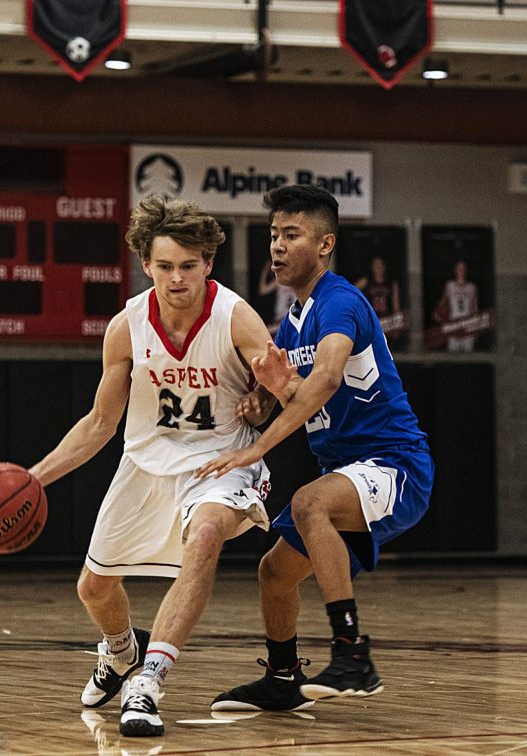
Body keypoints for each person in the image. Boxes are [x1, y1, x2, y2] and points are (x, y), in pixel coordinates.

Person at [28, 195, 275, 737]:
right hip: (146, 461)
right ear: (146, 265)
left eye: (189, 266)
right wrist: (33, 479)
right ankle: (121, 652)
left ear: (208, 264)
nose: (177, 278)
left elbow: (281, 392)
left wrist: (266, 400)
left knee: (206, 534)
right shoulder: (127, 327)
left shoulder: (236, 316)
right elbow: (99, 424)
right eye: (165, 266)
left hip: (220, 459)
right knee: (93, 589)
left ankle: (148, 682)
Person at [197, 184, 433, 713]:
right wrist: (267, 401)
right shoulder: (294, 319)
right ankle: (282, 677)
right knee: (274, 574)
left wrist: (255, 449)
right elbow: (298, 395)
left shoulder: (341, 302)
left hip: (394, 465)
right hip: (348, 470)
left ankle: (353, 655)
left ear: (325, 244)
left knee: (308, 503)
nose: (276, 247)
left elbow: (325, 381)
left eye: (291, 235)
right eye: (272, 235)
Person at [432, 259, 478, 352]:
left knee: (469, 354)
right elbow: (442, 302)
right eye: (459, 268)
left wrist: (476, 327)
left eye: (463, 268)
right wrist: (438, 314)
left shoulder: (472, 287)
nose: (461, 270)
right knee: (453, 352)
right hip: (454, 324)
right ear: (455, 270)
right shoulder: (450, 285)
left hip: (467, 324)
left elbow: (475, 308)